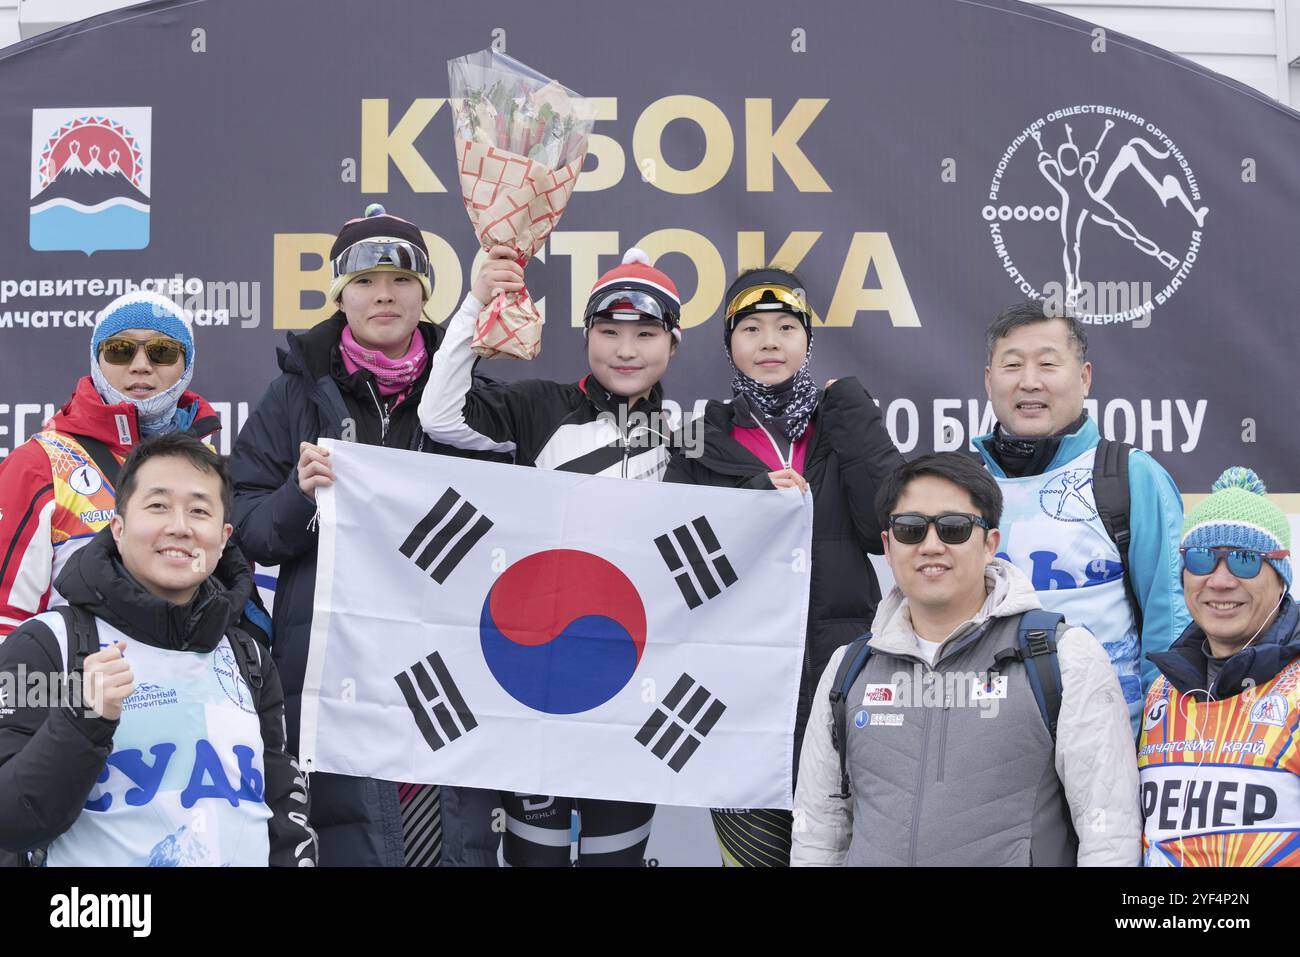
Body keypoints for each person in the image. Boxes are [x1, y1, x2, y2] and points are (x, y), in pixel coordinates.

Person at [230, 205, 498, 867]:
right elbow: (245, 527)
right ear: (341, 293)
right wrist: (301, 497)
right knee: (352, 836)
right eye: (364, 278)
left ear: (425, 291)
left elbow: (514, 524)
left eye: (403, 276)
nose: (384, 292)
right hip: (333, 659)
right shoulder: (292, 394)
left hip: (447, 661)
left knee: (449, 834)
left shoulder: (468, 393)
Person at [419, 246, 684, 865]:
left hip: (629, 686)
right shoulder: (541, 405)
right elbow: (439, 415)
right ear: (586, 335)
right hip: (534, 675)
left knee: (613, 859)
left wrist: (779, 497)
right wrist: (477, 304)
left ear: (673, 343)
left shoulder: (691, 435)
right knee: (535, 860)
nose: (625, 349)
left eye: (645, 334)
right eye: (609, 332)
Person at [664, 267, 904, 866]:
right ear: (728, 346)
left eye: (785, 327)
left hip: (839, 677)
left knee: (843, 852)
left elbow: (886, 528)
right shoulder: (695, 440)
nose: (769, 341)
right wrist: (752, 494)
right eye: (750, 328)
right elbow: (675, 554)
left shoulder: (842, 425)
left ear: (807, 342)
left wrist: (848, 405)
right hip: (739, 689)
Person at [792, 453, 1139, 866]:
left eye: (954, 528)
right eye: (910, 529)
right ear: (888, 545)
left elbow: (1109, 831)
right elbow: (819, 830)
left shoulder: (1062, 656)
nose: (932, 545)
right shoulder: (849, 669)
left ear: (990, 543)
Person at [0, 433, 316, 866]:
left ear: (223, 538)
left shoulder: (249, 656)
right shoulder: (47, 645)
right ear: (118, 525)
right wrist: (82, 718)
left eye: (199, 511)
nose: (180, 527)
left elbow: (284, 814)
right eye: (158, 506)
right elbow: (11, 821)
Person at [976, 301, 1189, 731]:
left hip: (1109, 740)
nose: (1029, 382)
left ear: (1085, 377)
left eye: (1048, 364)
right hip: (989, 745)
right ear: (989, 380)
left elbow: (1172, 621)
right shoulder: (961, 483)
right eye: (1012, 365)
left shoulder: (1130, 475)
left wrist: (1160, 737)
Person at [0, 291, 219, 639]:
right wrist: (64, 689)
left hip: (190, 685)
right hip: (85, 686)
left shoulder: (209, 465)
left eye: (162, 351)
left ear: (187, 364)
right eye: (120, 350)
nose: (140, 365)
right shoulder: (40, 464)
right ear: (96, 359)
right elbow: (5, 619)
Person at [1139, 468, 1298, 866]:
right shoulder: (1163, 690)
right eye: (1202, 558)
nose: (1220, 580)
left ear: (1281, 579)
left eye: (1244, 560)